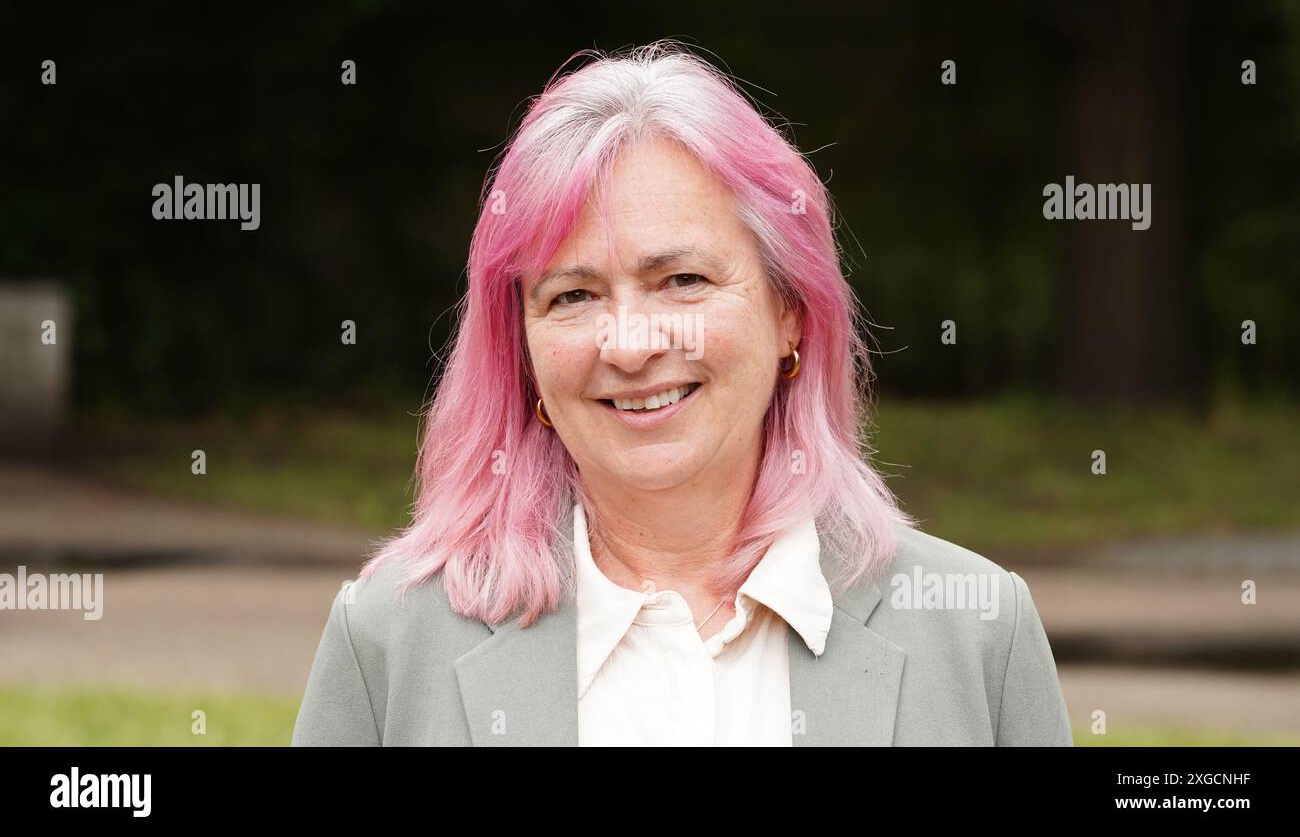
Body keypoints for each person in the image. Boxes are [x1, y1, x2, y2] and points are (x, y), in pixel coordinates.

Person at [291, 41, 1073, 746]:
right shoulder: (390, 641)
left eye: (682, 281)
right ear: (521, 352)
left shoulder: (976, 632)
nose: (630, 345)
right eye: (573, 295)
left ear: (789, 312)